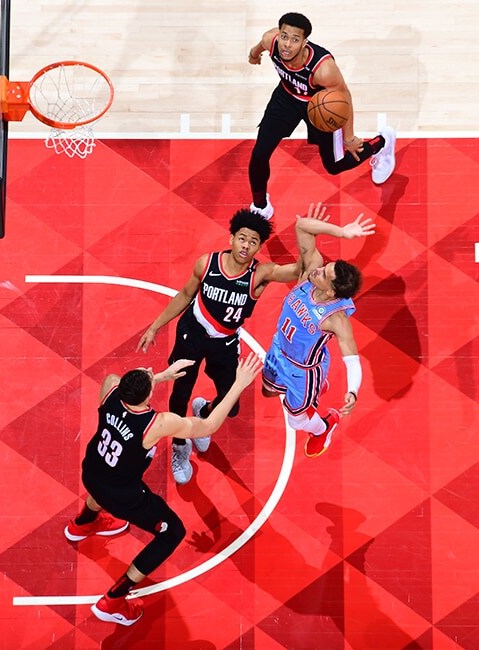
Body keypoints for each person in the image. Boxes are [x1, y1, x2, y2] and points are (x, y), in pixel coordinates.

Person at [65, 353, 264, 626]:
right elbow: (209, 425)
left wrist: (158, 377)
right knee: (172, 532)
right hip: (122, 494)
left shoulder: (110, 388)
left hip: (92, 472)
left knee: (106, 482)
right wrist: (238, 384)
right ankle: (113, 601)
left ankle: (81, 525)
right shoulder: (157, 424)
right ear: (147, 396)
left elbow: (125, 382)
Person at [137, 209, 299, 484]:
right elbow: (187, 294)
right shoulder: (207, 264)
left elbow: (299, 270)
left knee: (231, 406)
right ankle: (180, 446)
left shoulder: (260, 274)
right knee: (179, 393)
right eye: (242, 238)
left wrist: (308, 233)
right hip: (192, 333)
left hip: (225, 343)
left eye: (253, 241)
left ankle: (204, 413)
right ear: (232, 238)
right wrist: (155, 325)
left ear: (259, 246)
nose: (246, 246)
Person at [247, 12, 396, 219]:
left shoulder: (323, 69)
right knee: (259, 154)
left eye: (295, 39)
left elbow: (344, 96)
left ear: (304, 42)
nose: (287, 44)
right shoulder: (270, 41)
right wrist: (254, 55)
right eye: (284, 36)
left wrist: (349, 137)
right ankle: (260, 205)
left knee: (334, 166)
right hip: (286, 98)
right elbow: (259, 47)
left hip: (319, 106)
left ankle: (383, 143)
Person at [262, 203, 374, 457]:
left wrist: (353, 391)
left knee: (295, 420)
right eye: (326, 266)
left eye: (325, 274)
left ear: (332, 291)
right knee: (268, 391)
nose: (318, 269)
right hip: (279, 348)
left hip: (303, 371)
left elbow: (353, 360)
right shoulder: (310, 272)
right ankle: (317, 391)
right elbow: (302, 226)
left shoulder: (336, 319)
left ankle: (324, 426)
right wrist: (343, 232)